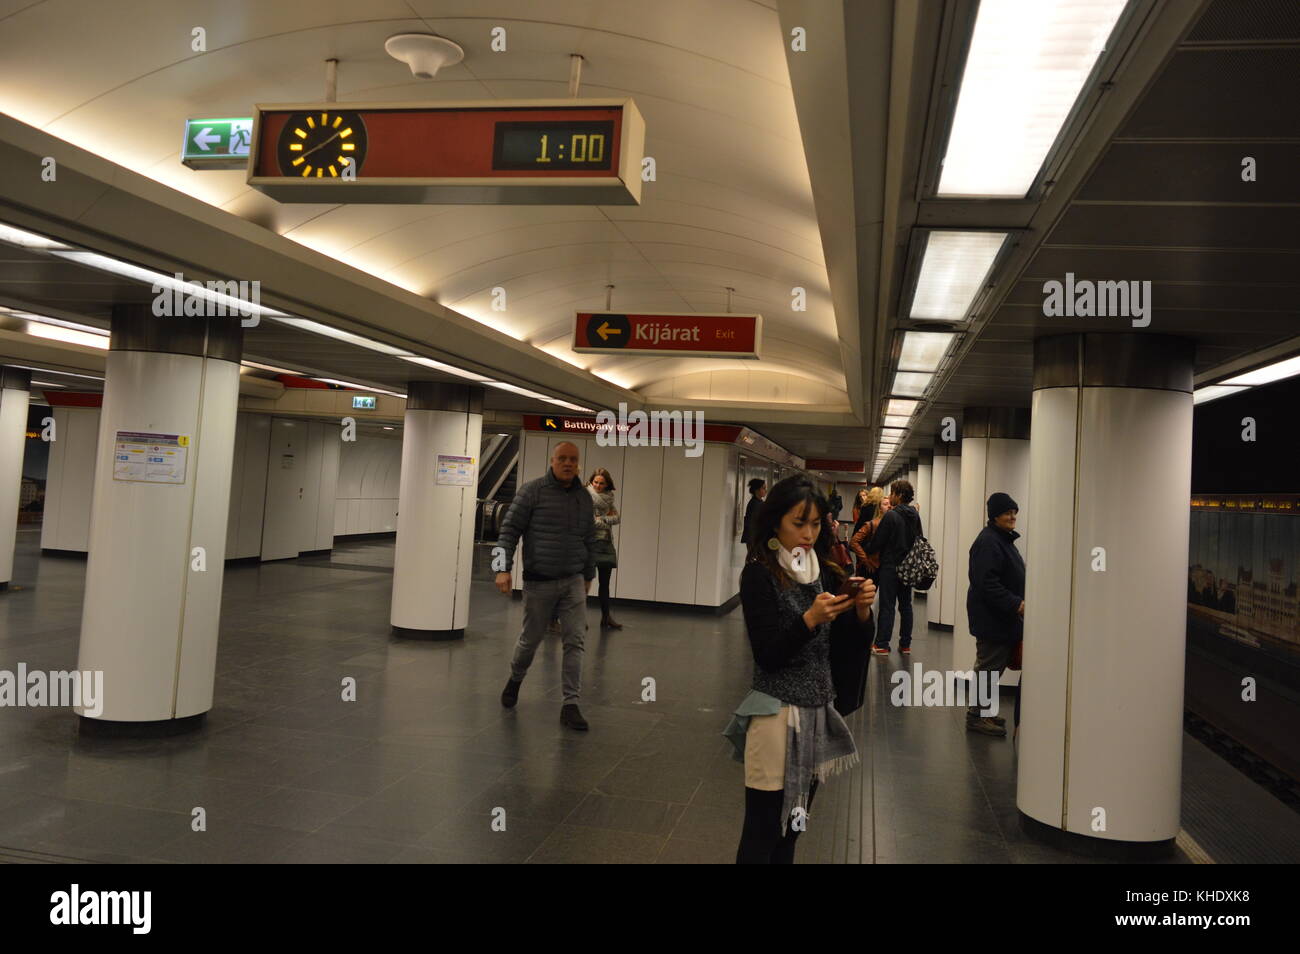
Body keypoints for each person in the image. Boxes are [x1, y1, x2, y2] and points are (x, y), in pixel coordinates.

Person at [724, 477, 877, 864]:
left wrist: (859, 611)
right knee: (762, 830)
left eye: (815, 524)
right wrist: (808, 619)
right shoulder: (759, 574)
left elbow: (841, 644)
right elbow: (767, 655)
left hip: (816, 712)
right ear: (775, 522)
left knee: (794, 826)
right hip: (775, 714)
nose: (808, 534)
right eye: (799, 523)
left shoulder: (822, 570)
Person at [495, 442, 596, 731]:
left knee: (575, 641)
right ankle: (515, 680)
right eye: (562, 459)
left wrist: (588, 573)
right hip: (539, 582)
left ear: (578, 464)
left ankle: (571, 705)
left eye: (573, 460)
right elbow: (509, 530)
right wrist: (502, 569)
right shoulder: (532, 491)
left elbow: (589, 537)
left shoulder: (583, 498)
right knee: (531, 639)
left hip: (573, 580)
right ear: (552, 461)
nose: (568, 463)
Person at [965, 492, 1025, 738]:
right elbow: (986, 583)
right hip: (992, 618)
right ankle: (976, 716)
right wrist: (1015, 604)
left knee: (993, 668)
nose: (1012, 517)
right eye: (1007, 513)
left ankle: (985, 712)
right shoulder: (989, 542)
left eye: (1014, 513)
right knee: (989, 667)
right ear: (995, 516)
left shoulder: (1001, 539)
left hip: (1000, 617)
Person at [863, 479, 922, 655]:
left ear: (899, 495)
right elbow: (919, 538)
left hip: (890, 566)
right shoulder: (915, 515)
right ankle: (905, 645)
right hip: (908, 566)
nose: (890, 496)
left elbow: (878, 542)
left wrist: (868, 550)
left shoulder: (891, 515)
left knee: (887, 605)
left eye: (893, 493)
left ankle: (882, 644)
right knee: (906, 606)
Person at [587, 467, 623, 630]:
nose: (598, 485)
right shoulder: (585, 497)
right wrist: (605, 519)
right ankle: (577, 618)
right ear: (591, 481)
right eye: (595, 482)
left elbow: (617, 518)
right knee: (583, 582)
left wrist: (601, 518)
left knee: (605, 583)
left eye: (601, 483)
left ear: (607, 484)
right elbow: (589, 521)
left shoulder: (609, 499)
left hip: (606, 543)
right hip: (589, 543)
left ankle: (606, 617)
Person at [850, 489, 885, 579]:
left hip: (861, 537)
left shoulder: (865, 507)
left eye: (864, 495)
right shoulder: (876, 510)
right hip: (867, 540)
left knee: (861, 566)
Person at [741, 478, 766, 545]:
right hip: (753, 539)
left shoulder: (760, 502)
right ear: (756, 490)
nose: (765, 490)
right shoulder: (754, 504)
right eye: (763, 488)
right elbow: (751, 523)